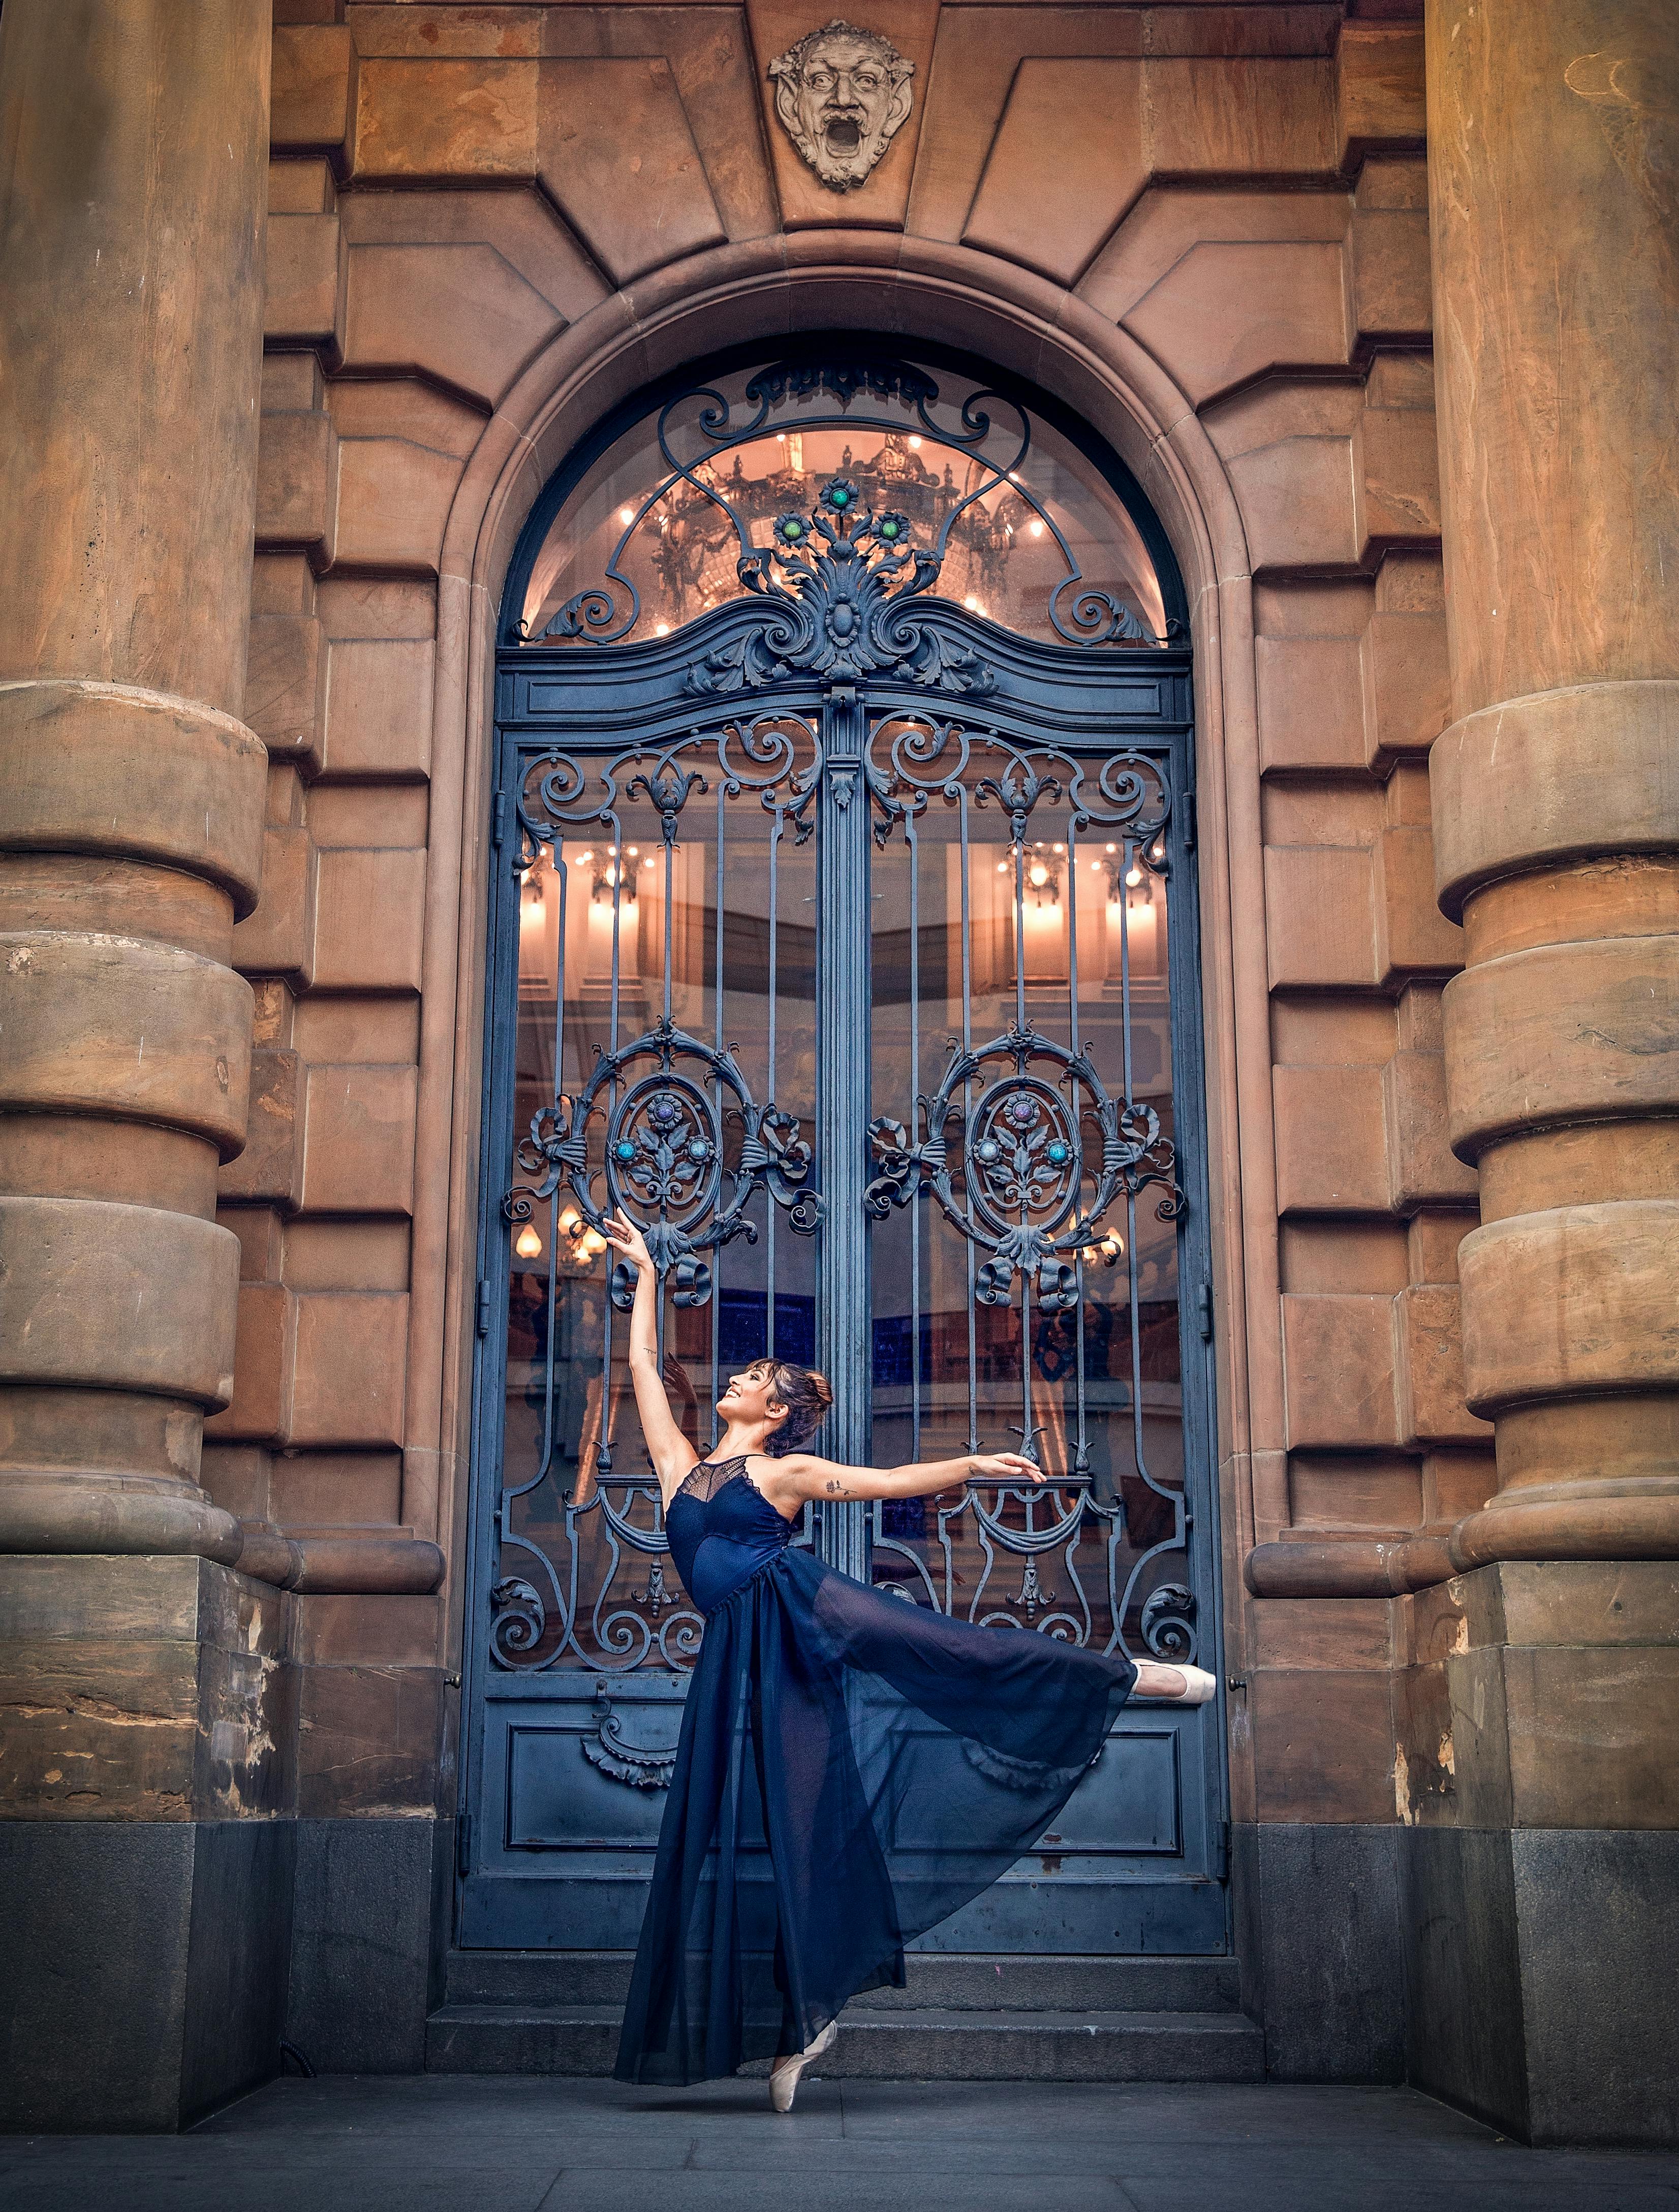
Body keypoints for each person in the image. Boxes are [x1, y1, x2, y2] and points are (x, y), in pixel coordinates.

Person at [602, 1212, 1216, 2111]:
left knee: (955, 1647)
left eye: (755, 1377)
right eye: (741, 1371)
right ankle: (804, 2026)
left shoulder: (782, 1472)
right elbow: (642, 1368)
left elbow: (885, 1485)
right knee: (790, 1833)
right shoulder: (678, 1467)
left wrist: (971, 1462)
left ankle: (1123, 1675)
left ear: (773, 1414)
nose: (735, 1375)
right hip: (744, 1661)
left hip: (801, 1609)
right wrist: (647, 1270)